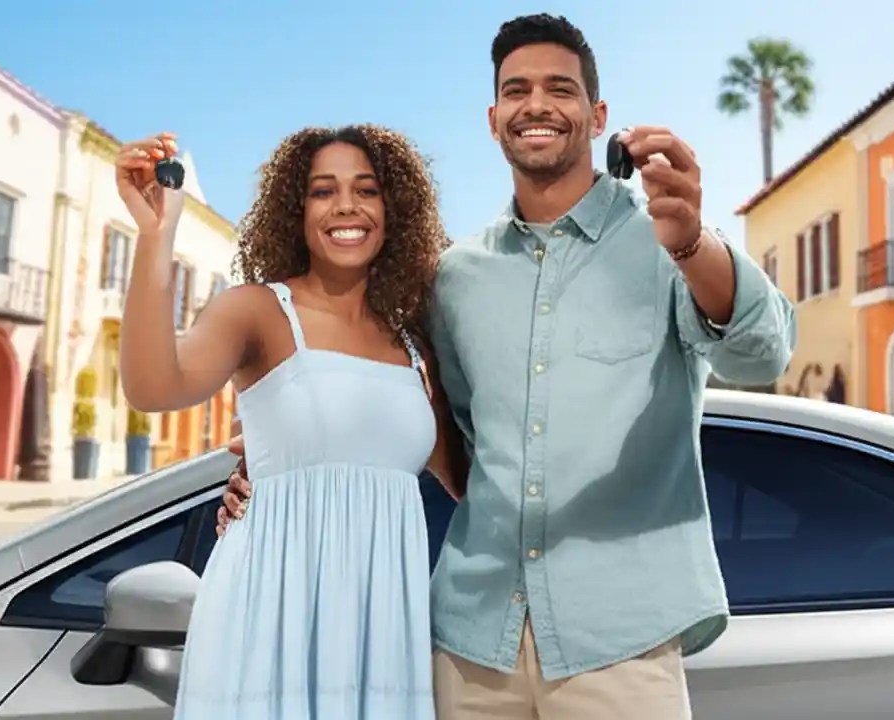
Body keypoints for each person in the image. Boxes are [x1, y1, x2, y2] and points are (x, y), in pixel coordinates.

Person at [219, 13, 796, 719]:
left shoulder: (667, 242)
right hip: (470, 649)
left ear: (597, 115)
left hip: (621, 646)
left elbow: (762, 351)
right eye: (516, 90)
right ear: (494, 119)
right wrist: (285, 459)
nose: (537, 104)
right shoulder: (456, 277)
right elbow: (446, 442)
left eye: (561, 88)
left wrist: (691, 246)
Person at [115, 124, 466, 719]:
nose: (346, 206)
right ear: (296, 210)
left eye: (367, 189)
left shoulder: (415, 349)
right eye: (323, 191)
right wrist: (156, 234)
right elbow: (153, 387)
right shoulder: (256, 311)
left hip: (382, 645)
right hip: (267, 627)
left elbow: (481, 496)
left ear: (394, 208)